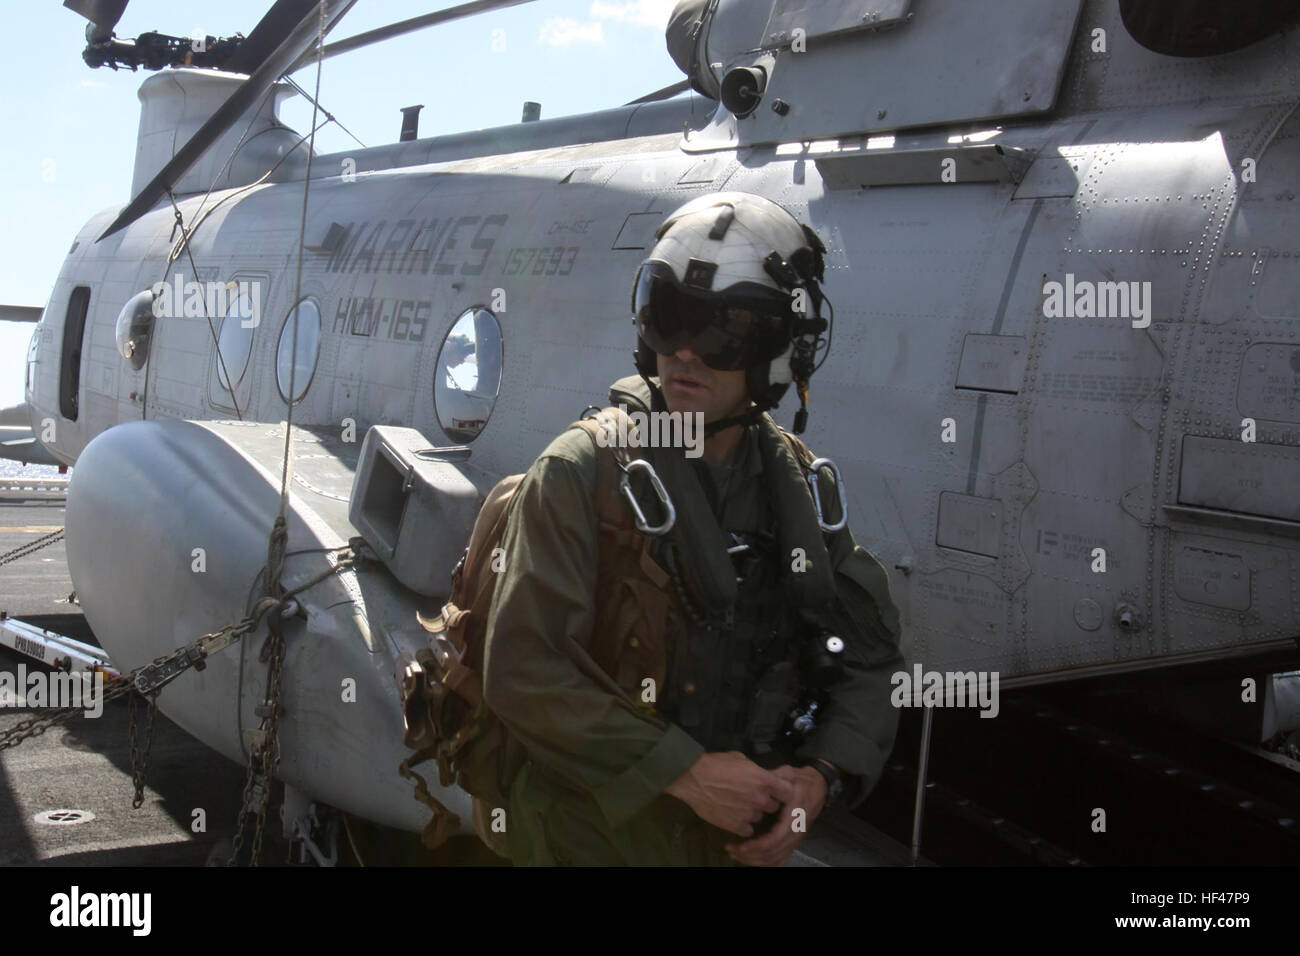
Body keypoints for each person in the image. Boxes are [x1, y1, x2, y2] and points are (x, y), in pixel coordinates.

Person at [481, 192, 902, 866]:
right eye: (666, 317)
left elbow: (870, 663)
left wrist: (821, 775)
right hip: (584, 843)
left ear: (777, 352)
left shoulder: (796, 489)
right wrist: (684, 772)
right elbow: (523, 674)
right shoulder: (583, 472)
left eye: (722, 331)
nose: (684, 353)